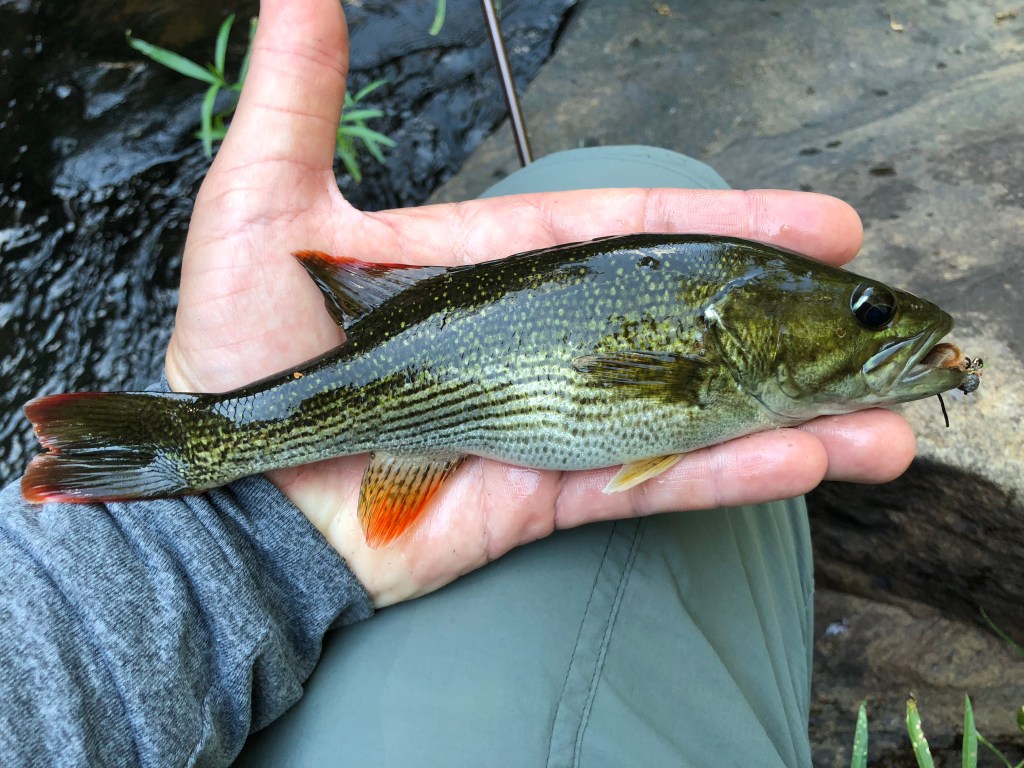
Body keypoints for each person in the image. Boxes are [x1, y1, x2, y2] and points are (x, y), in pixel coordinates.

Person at [0, 0, 918, 765]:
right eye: (870, 315)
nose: (884, 325)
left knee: (639, 180)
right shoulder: (719, 337)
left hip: (246, 556)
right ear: (746, 331)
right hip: (310, 507)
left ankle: (172, 457)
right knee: (647, 177)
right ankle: (190, 440)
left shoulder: (736, 333)